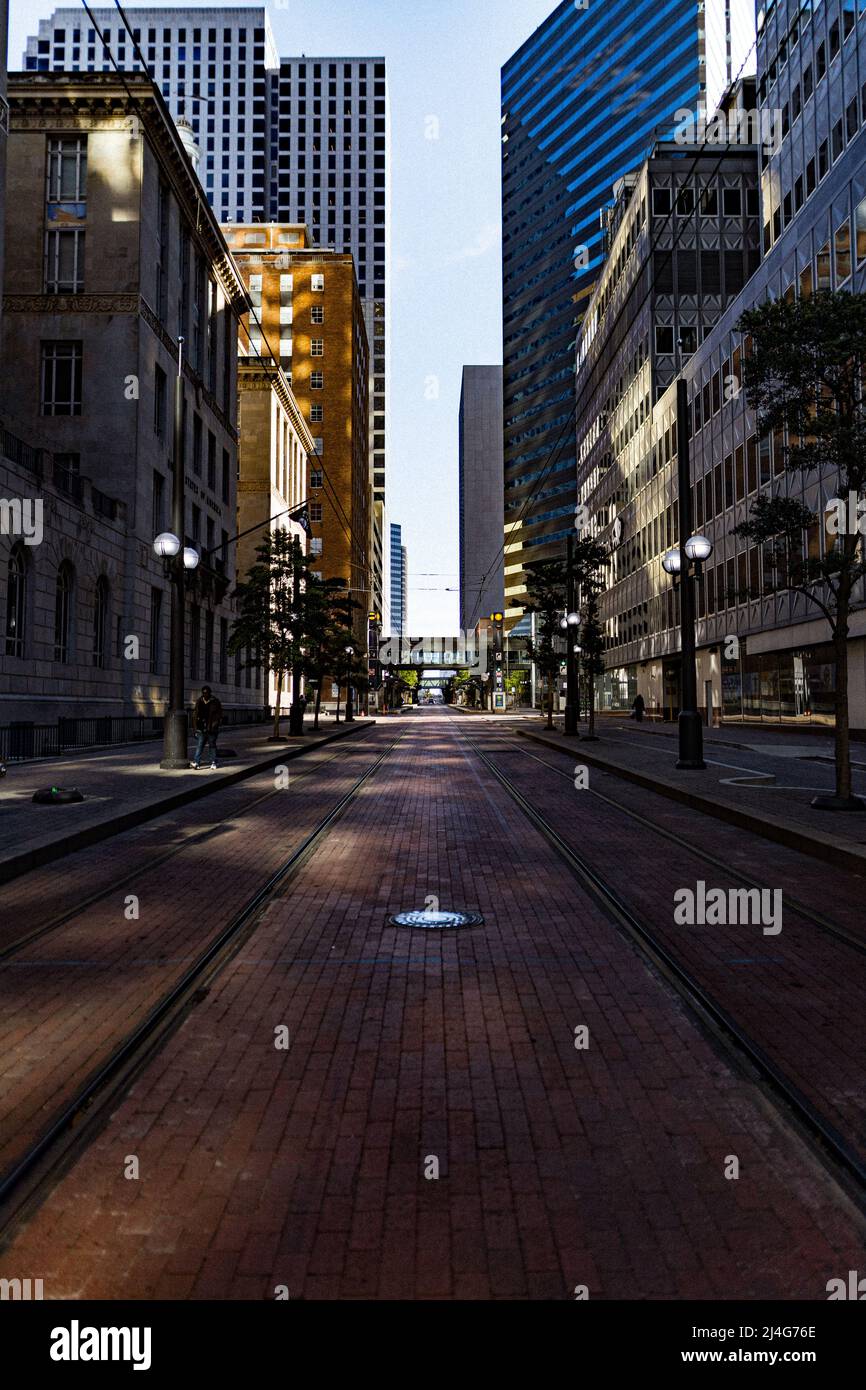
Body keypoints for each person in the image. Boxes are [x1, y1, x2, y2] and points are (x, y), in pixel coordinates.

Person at [192, 685, 223, 769]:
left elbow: (219, 715)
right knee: (200, 745)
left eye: (206, 693)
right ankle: (196, 762)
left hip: (212, 729)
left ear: (210, 693)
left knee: (212, 745)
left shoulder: (215, 701)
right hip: (201, 728)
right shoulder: (199, 701)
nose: (205, 695)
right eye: (203, 693)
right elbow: (195, 714)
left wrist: (214, 726)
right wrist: (195, 728)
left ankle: (213, 762)